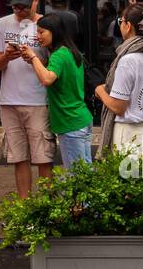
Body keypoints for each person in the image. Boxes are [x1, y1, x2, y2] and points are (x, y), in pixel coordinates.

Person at [0, 0, 53, 197]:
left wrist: (34, 58)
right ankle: (25, 208)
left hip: (38, 100)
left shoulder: (47, 25)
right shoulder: (1, 24)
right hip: (8, 100)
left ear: (36, 0)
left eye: (24, 7)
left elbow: (56, 62)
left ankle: (46, 207)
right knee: (18, 157)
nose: (19, 11)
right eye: (15, 7)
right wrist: (6, 57)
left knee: (43, 156)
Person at [94, 1, 143, 160]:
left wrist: (100, 90)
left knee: (125, 184)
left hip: (129, 136)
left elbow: (118, 107)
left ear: (128, 26)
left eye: (121, 21)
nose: (120, 25)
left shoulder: (128, 60)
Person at [21, 13, 93, 167]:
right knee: (86, 173)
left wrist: (33, 58)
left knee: (77, 175)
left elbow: (47, 79)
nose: (38, 36)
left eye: (41, 32)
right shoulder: (71, 52)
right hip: (80, 118)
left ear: (54, 31)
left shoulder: (58, 55)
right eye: (37, 32)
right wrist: (37, 62)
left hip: (70, 122)